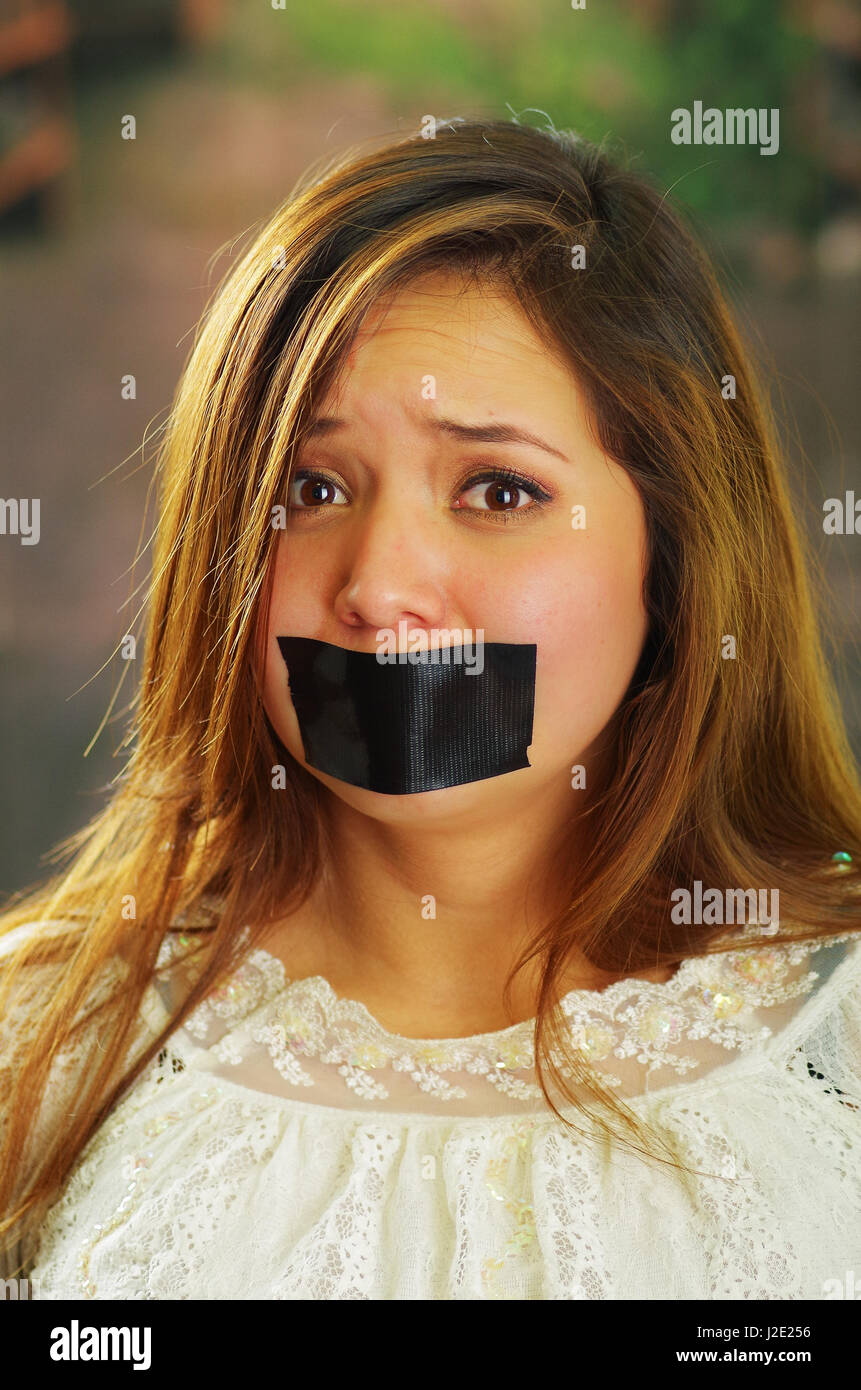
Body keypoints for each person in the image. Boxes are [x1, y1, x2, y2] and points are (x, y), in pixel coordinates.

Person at [1, 117, 860, 1301]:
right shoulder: (38, 1045)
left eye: (498, 489)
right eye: (310, 487)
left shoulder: (837, 1054)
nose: (378, 588)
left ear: (676, 558)